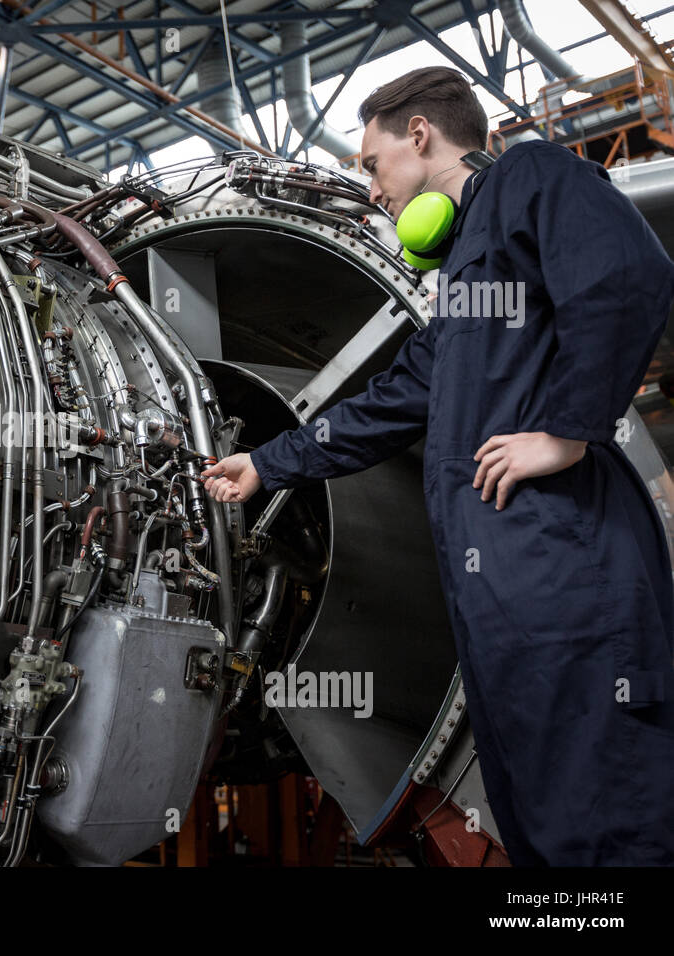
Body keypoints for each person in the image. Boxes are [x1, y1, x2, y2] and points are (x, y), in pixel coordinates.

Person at [202, 66, 674, 865]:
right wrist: (268, 464)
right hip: (501, 600)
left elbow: (628, 271)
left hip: (562, 570)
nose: (373, 187)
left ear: (419, 134)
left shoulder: (529, 174)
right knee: (541, 816)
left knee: (604, 805)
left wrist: (566, 432)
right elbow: (392, 400)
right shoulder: (461, 284)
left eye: (371, 163)